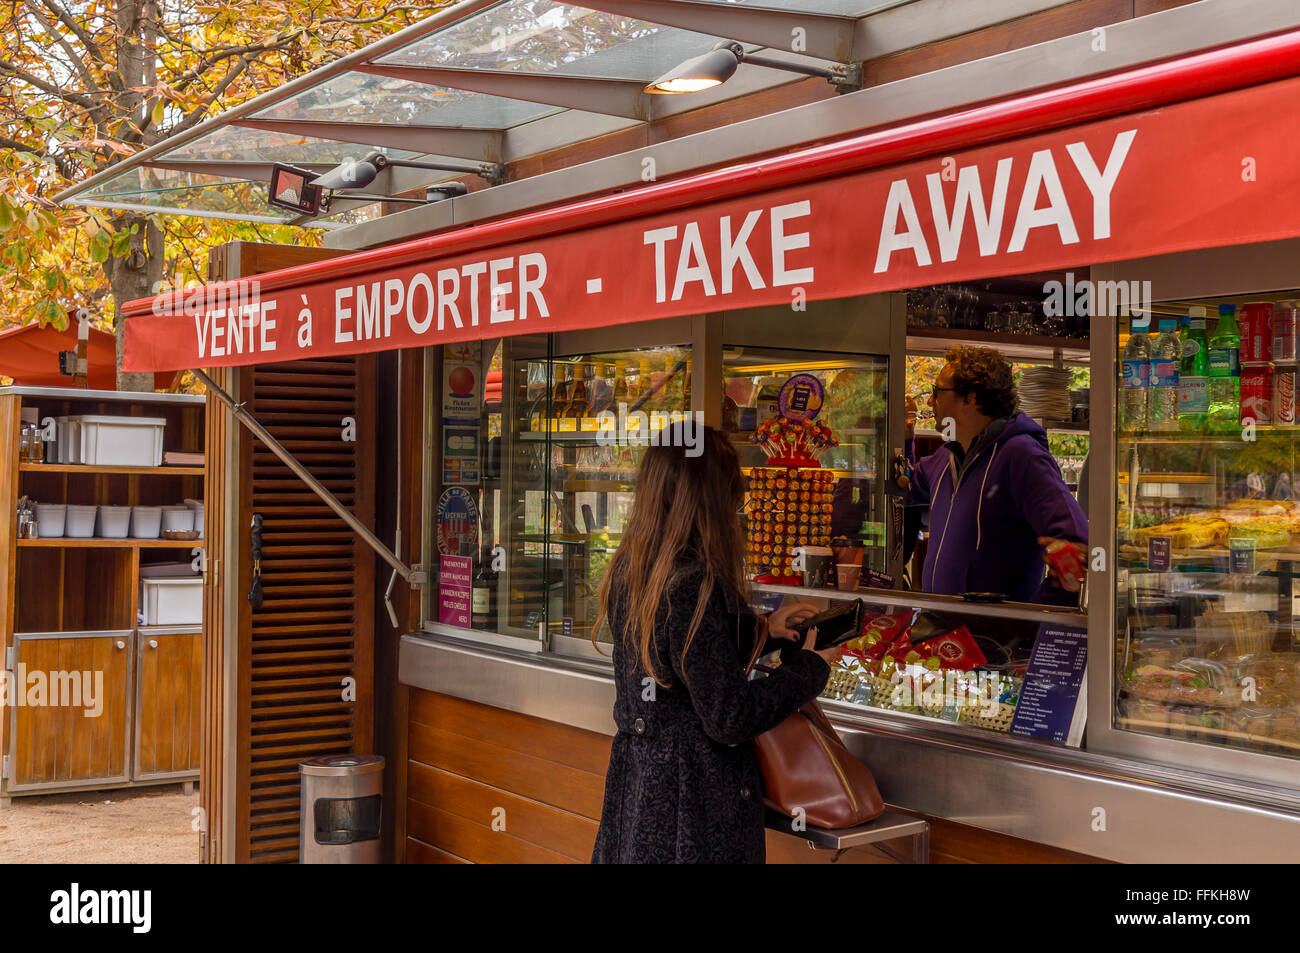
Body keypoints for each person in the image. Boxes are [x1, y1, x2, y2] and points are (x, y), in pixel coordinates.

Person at [590, 424, 842, 864]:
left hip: (643, 788)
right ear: (710, 500)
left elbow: (681, 660)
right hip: (690, 801)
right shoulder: (694, 583)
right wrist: (809, 669)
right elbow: (728, 715)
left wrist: (760, 630)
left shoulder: (635, 568)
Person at [904, 346, 1088, 605]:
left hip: (994, 641)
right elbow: (903, 487)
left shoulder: (1022, 456)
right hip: (944, 636)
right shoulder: (945, 458)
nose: (931, 401)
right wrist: (903, 437)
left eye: (938, 392)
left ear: (970, 399)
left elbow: (1077, 545)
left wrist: (1030, 621)